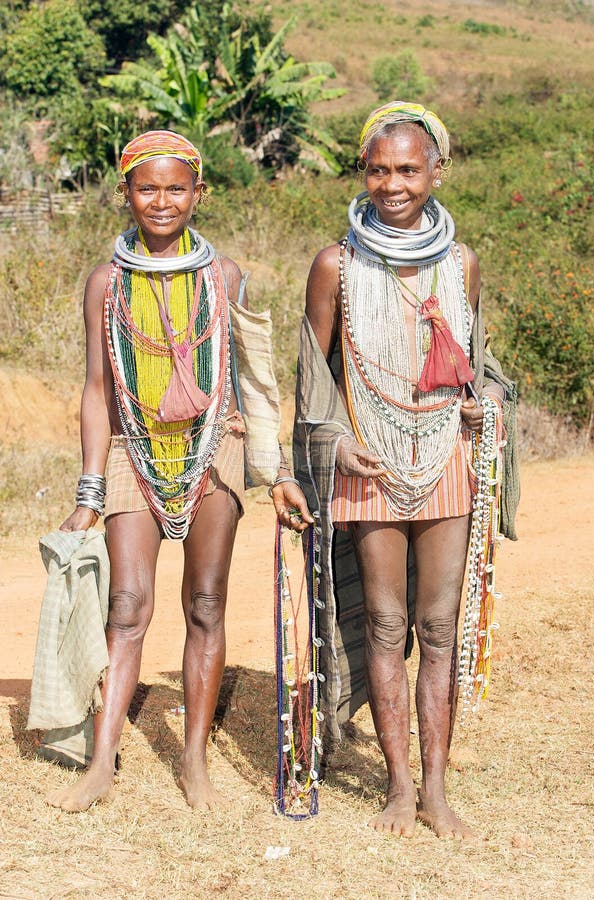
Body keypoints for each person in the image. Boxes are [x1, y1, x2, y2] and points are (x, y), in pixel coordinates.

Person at [47, 130, 312, 813]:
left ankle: (194, 760)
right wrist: (88, 490)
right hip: (133, 448)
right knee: (128, 606)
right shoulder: (106, 281)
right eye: (145, 187)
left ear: (199, 192)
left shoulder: (222, 276)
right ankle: (101, 760)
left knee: (205, 604)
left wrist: (270, 466)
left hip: (210, 452)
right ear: (125, 194)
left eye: (174, 188)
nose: (160, 202)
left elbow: (253, 377)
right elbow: (97, 389)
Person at [293, 102, 517, 838]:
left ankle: (436, 789)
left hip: (444, 456)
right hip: (368, 462)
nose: (393, 184)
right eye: (379, 169)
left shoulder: (460, 264)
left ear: (435, 172)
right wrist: (331, 438)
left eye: (408, 170)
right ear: (364, 171)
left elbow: (474, 364)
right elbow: (311, 378)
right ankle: (395, 786)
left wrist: (484, 397)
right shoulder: (335, 264)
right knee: (387, 622)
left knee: (439, 625)